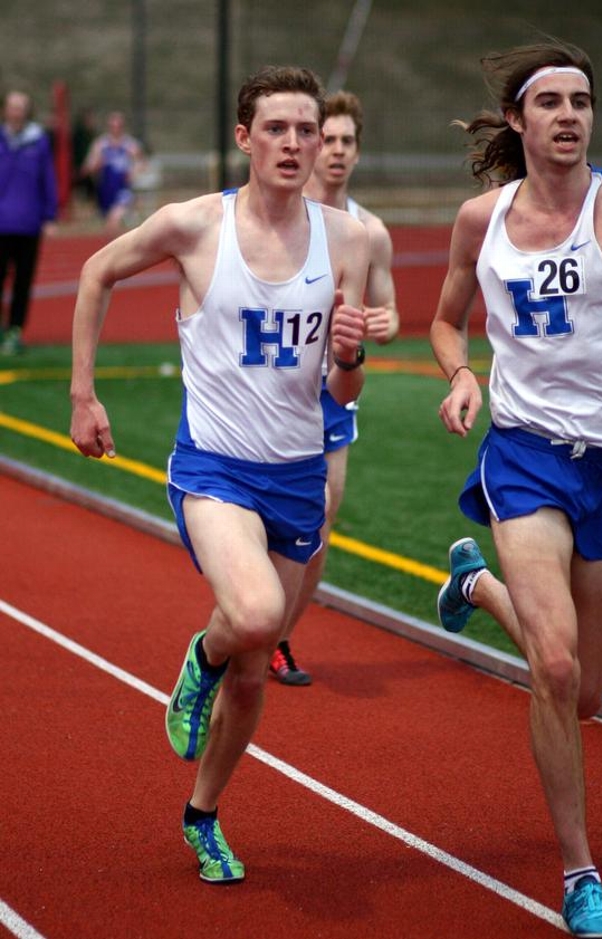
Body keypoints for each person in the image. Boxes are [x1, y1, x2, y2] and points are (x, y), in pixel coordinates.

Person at [70, 65, 369, 884]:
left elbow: (347, 387)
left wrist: (350, 351)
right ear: (245, 138)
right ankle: (200, 654)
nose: (296, 143)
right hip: (215, 468)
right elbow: (95, 272)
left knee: (255, 662)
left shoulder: (353, 241)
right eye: (277, 128)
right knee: (258, 614)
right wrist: (82, 393)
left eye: (307, 129)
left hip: (298, 471)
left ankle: (202, 813)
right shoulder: (195, 225)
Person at [430, 38, 602, 938]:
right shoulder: (478, 220)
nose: (570, 115)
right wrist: (460, 375)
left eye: (583, 101)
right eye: (552, 102)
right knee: (556, 664)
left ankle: (475, 587)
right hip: (523, 455)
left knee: (588, 694)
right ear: (519, 121)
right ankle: (581, 876)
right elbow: (447, 321)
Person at [269, 89, 400, 686]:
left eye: (350, 141)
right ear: (316, 142)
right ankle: (250, 619)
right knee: (265, 517)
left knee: (319, 522)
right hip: (276, 389)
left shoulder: (369, 232)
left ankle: (280, 636)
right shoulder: (285, 219)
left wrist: (383, 322)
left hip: (335, 395)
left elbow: (390, 313)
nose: (340, 151)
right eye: (333, 139)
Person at [0, 90, 58, 355]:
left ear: (27, 111)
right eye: (12, 106)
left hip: (28, 222)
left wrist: (50, 215)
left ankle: (15, 330)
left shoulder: (38, 141)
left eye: (21, 106)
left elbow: (48, 178)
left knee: (23, 280)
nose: (16, 111)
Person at [82, 110, 144, 237]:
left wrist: (133, 172)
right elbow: (88, 167)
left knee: (114, 219)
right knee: (109, 224)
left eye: (118, 126)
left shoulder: (129, 145)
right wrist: (96, 165)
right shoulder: (101, 144)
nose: (116, 129)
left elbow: (141, 163)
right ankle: (115, 247)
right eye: (113, 126)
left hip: (123, 188)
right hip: (105, 189)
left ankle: (119, 250)